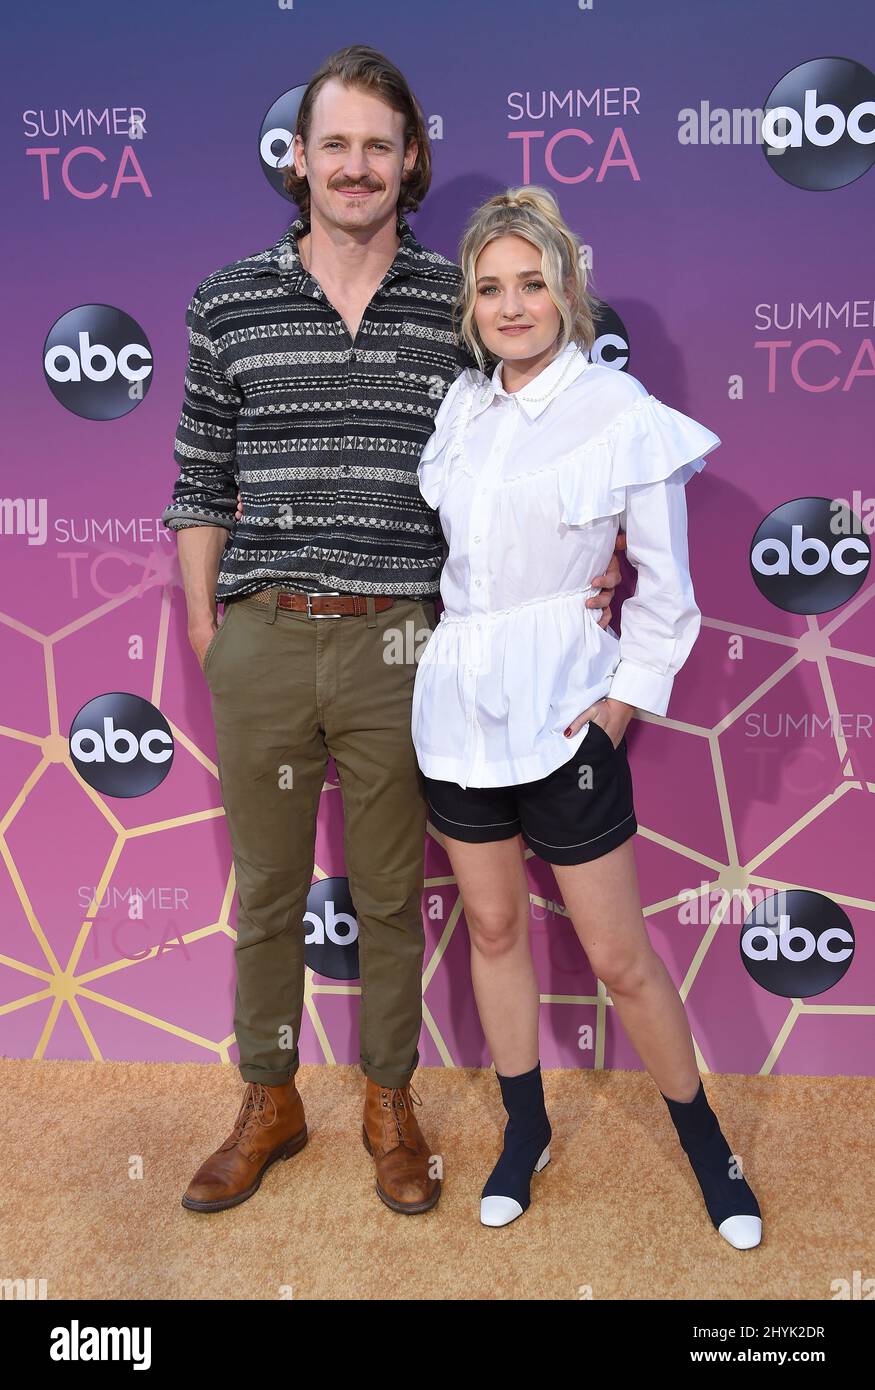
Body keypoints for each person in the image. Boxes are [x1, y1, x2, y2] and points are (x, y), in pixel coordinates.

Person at [162, 47, 623, 1216]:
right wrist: (209, 635)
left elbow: (557, 396)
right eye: (334, 145)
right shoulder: (227, 301)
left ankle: (387, 1100)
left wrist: (611, 543)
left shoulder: (454, 300)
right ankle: (268, 1095)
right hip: (262, 634)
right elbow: (197, 480)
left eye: (379, 144)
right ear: (299, 159)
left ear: (410, 157)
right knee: (267, 893)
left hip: (406, 646)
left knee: (385, 894)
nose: (355, 166)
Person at [411, 186, 763, 1249]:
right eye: (489, 288)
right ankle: (525, 1131)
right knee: (490, 926)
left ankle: (709, 1146)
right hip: (457, 719)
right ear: (470, 306)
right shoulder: (459, 412)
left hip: (568, 720)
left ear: (567, 292)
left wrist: (611, 717)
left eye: (531, 282)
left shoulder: (619, 414)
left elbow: (664, 592)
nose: (510, 306)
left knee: (617, 956)